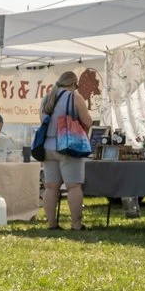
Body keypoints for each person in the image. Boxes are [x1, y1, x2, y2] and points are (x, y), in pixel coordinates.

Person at [39, 69, 91, 231]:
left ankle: (52, 224)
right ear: (74, 83)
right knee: (74, 186)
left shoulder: (47, 98)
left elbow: (42, 121)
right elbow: (87, 121)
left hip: (47, 146)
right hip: (68, 146)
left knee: (50, 187)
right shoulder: (75, 97)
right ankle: (76, 224)